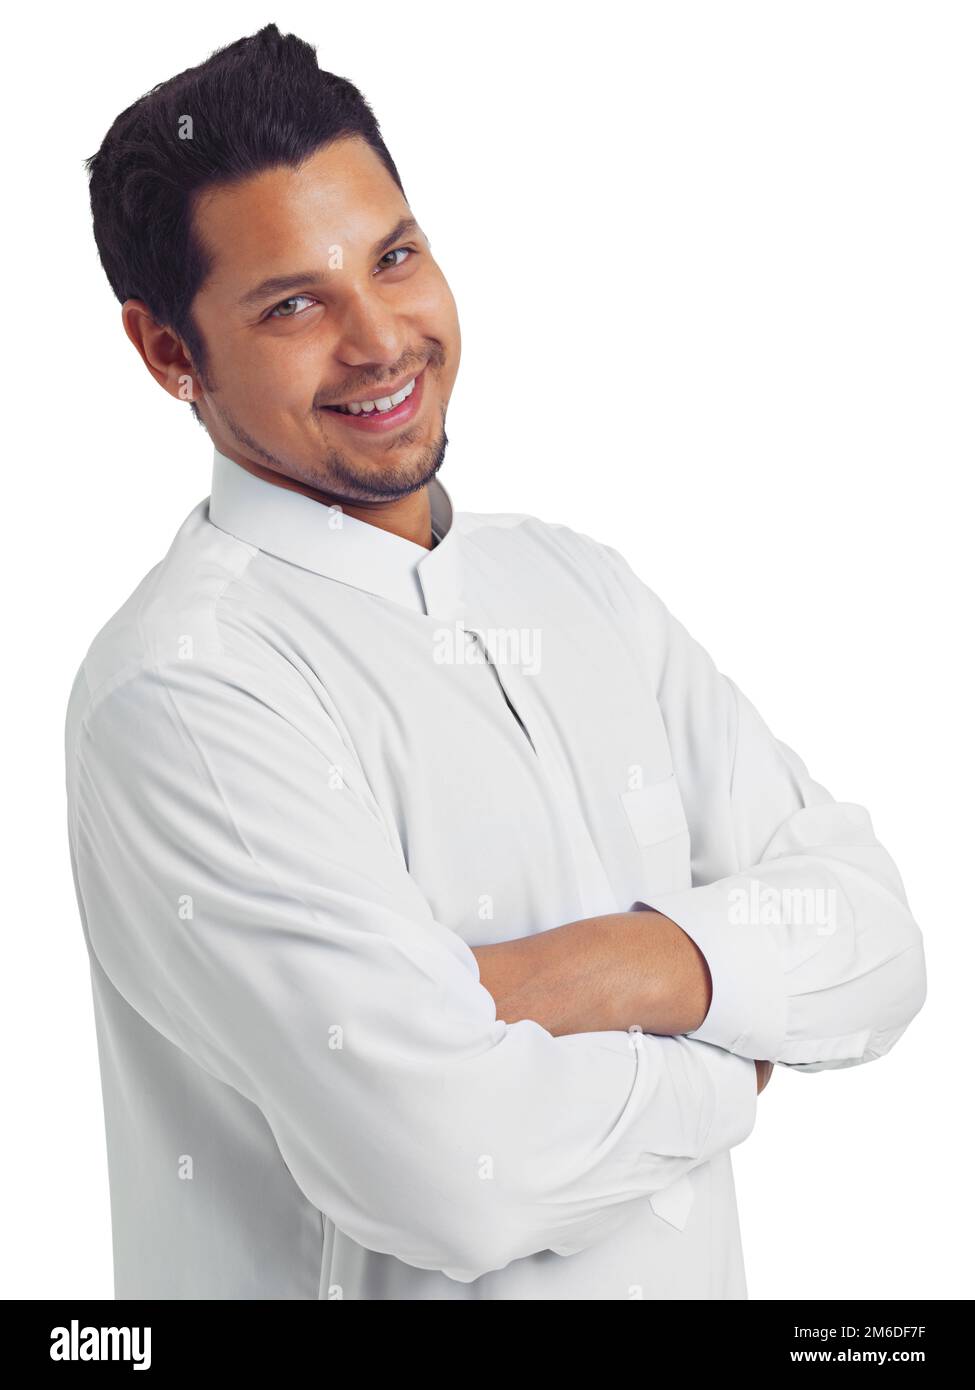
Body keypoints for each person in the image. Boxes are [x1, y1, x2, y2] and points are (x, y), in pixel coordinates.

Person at [65, 22, 926, 1300]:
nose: (380, 341)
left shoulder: (577, 584)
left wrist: (573, 976)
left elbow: (878, 943)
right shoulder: (183, 692)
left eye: (395, 258)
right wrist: (742, 1040)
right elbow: (455, 1172)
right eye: (294, 303)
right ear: (168, 353)